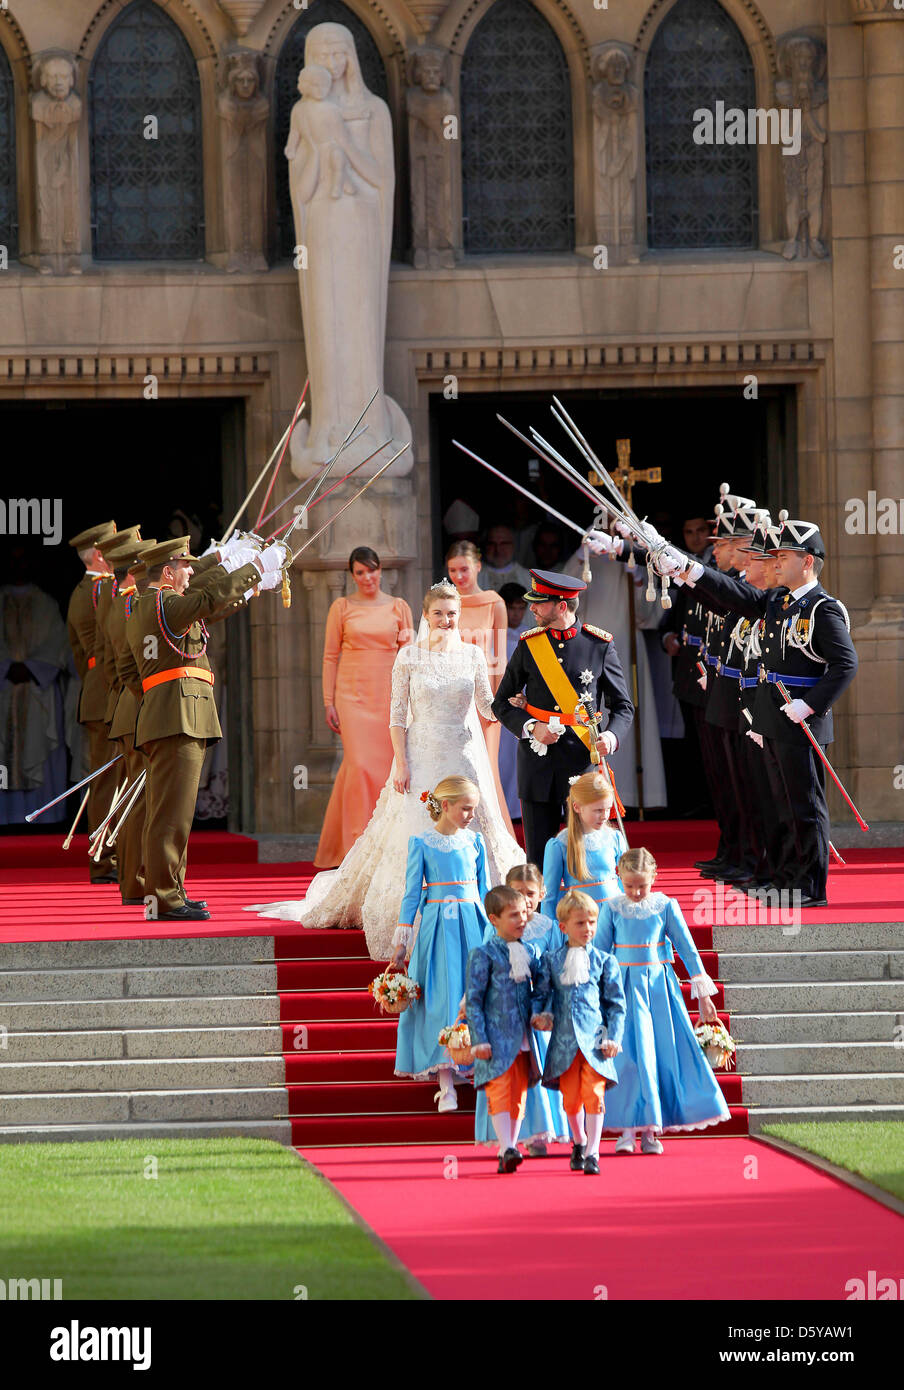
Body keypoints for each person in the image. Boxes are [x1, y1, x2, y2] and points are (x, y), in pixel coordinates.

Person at [247, 580, 521, 957]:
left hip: (461, 756)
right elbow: (396, 717)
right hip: (421, 754)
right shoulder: (408, 656)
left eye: (452, 614)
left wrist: (515, 704)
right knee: (414, 830)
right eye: (438, 613)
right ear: (426, 615)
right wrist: (402, 763)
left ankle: (471, 903)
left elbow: (487, 708)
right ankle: (412, 913)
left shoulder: (473, 656)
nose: (445, 620)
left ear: (459, 617)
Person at [659, 514, 858, 907]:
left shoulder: (822, 609)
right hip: (771, 718)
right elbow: (734, 595)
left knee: (803, 806)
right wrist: (688, 569)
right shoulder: (778, 602)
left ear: (807, 562)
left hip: (801, 720)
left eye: (785, 555)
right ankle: (786, 878)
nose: (776, 561)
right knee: (779, 805)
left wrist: (811, 704)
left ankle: (809, 886)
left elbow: (845, 663)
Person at [120, 535, 281, 921]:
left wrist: (252, 584)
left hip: (169, 714)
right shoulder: (165, 603)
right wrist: (256, 567)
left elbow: (128, 671)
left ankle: (171, 890)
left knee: (170, 811)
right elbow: (207, 600)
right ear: (167, 572)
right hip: (179, 716)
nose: (191, 571)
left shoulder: (146, 609)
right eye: (186, 566)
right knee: (171, 814)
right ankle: (163, 898)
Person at [491, 568, 634, 866]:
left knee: (587, 857)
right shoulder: (530, 644)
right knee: (540, 861)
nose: (531, 607)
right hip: (537, 763)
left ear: (560, 606)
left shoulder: (599, 644)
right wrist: (532, 727)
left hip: (581, 761)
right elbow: (501, 702)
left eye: (538, 603)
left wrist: (611, 735)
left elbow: (623, 707)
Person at [594, 847, 729, 1152]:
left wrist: (704, 995)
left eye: (642, 885)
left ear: (654, 877)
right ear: (619, 877)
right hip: (623, 990)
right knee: (627, 1055)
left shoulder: (665, 906)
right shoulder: (612, 908)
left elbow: (687, 948)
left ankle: (651, 1129)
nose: (636, 892)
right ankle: (627, 1129)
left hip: (658, 989)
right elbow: (601, 952)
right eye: (629, 885)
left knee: (657, 1053)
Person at [392, 777, 490, 1113]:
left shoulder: (475, 841)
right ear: (445, 806)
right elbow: (411, 894)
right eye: (465, 808)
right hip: (436, 930)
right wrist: (402, 942)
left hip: (473, 927)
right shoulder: (421, 842)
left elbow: (486, 891)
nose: (470, 815)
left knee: (471, 995)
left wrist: (495, 932)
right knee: (440, 999)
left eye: (473, 809)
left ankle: (472, 1066)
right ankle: (445, 1083)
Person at [315, 546, 414, 867]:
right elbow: (330, 656)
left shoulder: (399, 607)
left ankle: (386, 845)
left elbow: (410, 657)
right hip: (351, 697)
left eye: (371, 570)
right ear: (352, 575)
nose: (367, 577)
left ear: (381, 570)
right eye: (360, 572)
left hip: (389, 695)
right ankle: (353, 847)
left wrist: (412, 701)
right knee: (358, 766)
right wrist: (328, 701)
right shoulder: (341, 607)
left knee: (387, 769)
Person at [473, 864, 570, 1157]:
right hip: (503, 1012)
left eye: (530, 893)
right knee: (508, 1075)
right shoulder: (497, 928)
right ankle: (508, 1140)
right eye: (517, 893)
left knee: (535, 1069)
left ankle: (540, 1132)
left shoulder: (549, 927)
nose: (525, 899)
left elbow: (556, 967)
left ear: (541, 894)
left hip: (535, 1012)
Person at [531, 889, 626, 1175]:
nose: (588, 929)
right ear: (564, 927)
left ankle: (594, 1153)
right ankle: (579, 1140)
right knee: (571, 1099)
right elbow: (541, 995)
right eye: (580, 923)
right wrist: (539, 1015)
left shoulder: (605, 960)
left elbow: (616, 1005)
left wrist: (613, 1037)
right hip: (563, 1041)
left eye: (592, 923)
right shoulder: (550, 960)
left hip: (596, 1041)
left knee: (594, 1095)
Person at [466, 883, 543, 1171]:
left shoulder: (532, 950)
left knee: (519, 1091)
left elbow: (538, 991)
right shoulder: (484, 954)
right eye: (513, 915)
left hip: (525, 1034)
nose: (521, 919)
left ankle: (507, 1149)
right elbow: (473, 999)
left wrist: (540, 1013)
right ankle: (507, 1146)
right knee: (499, 1087)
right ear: (494, 919)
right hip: (495, 1036)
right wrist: (479, 1039)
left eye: (523, 913)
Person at [0, 543, 71, 825]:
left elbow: (60, 646)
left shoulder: (47, 603)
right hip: (5, 689)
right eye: (13, 561)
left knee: (38, 748)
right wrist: (8, 667)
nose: (19, 567)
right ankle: (7, 817)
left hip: (37, 689)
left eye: (23, 560)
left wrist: (29, 668)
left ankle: (44, 817)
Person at [66, 521, 121, 883]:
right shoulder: (100, 591)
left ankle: (111, 857)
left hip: (100, 695)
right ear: (100, 554)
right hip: (107, 698)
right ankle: (104, 860)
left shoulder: (88, 591)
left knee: (112, 780)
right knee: (106, 783)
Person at [446, 540, 512, 834]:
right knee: (456, 768)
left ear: (478, 566)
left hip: (484, 698)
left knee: (485, 770)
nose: (459, 576)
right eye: (452, 570)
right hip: (450, 699)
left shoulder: (494, 602)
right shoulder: (444, 602)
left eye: (464, 569)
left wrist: (497, 703)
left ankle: (495, 837)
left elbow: (499, 657)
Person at [540, 769, 626, 919]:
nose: (605, 816)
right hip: (581, 920)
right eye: (598, 810)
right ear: (577, 807)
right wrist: (548, 931)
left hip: (614, 917)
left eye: (607, 809)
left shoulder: (614, 838)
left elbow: (627, 880)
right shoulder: (560, 845)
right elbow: (550, 896)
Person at [496, 581, 530, 821]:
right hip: (500, 706)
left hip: (526, 706)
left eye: (521, 608)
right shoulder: (493, 638)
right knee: (501, 759)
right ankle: (503, 807)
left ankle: (519, 809)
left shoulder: (529, 636)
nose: (516, 614)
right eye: (512, 608)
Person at [478, 524, 532, 596]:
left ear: (513, 545)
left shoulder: (529, 578)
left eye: (504, 543)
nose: (498, 549)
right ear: (485, 546)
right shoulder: (475, 576)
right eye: (492, 544)